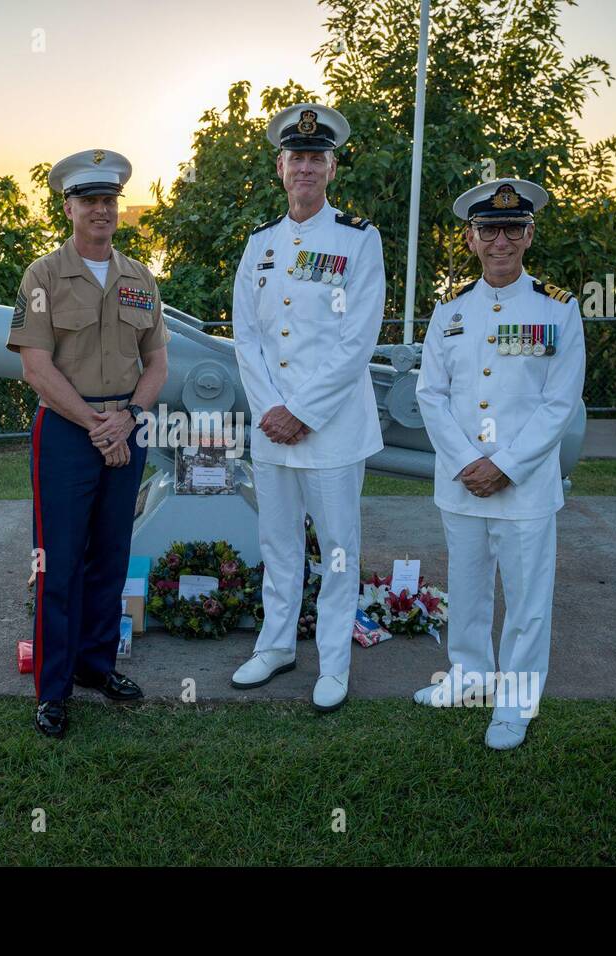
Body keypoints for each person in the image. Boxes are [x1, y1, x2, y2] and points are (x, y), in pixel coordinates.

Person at [413, 177, 586, 750]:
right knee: (466, 590)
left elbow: (560, 402)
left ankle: (515, 703)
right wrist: (468, 461)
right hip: (463, 482)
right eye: (489, 230)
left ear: (529, 235)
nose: (501, 240)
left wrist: (505, 465)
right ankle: (468, 678)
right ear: (471, 238)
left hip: (526, 485)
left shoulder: (557, 310)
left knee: (527, 600)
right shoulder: (450, 311)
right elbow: (430, 394)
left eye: (512, 228)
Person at [6, 149, 170, 739]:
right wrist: (97, 424)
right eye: (89, 200)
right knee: (57, 564)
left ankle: (96, 667)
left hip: (126, 428)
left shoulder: (139, 278)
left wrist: (127, 417)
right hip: (68, 434)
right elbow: (36, 366)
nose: (101, 210)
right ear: (69, 207)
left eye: (110, 201)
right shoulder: (43, 277)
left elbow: (156, 360)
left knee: (111, 556)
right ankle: (52, 691)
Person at [229, 104, 386, 712]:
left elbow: (357, 341)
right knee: (278, 545)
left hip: (333, 431)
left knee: (338, 550)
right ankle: (275, 647)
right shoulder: (260, 244)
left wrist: (301, 411)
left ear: (331, 168)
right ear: (280, 166)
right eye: (297, 157)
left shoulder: (358, 239)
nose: (306, 167)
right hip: (273, 430)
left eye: (316, 157)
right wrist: (272, 409)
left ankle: (333, 664)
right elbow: (247, 337)